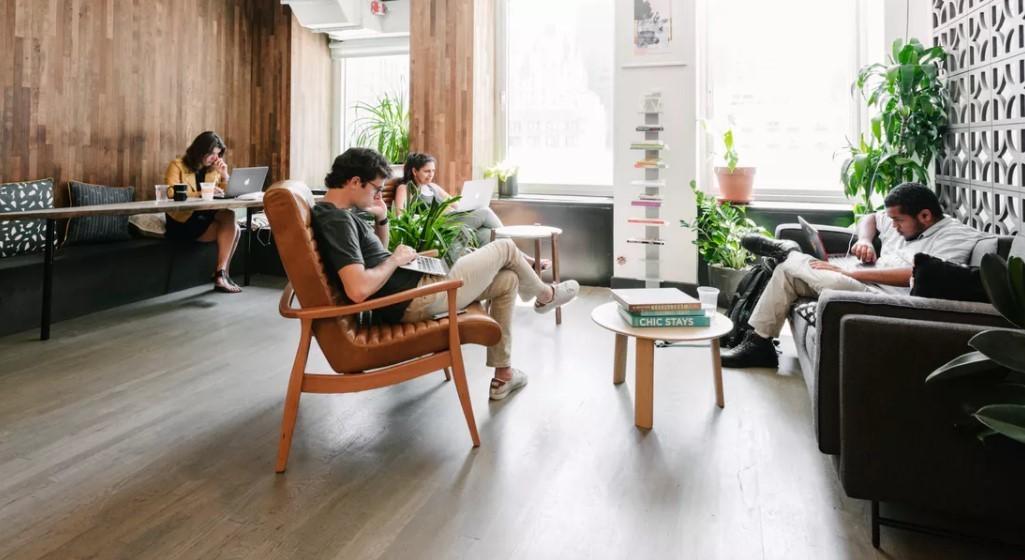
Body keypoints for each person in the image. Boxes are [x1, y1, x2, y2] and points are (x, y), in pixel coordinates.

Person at [312, 148, 580, 400]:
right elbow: (358, 289)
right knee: (505, 248)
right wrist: (395, 259)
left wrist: (382, 218)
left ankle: (504, 375)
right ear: (355, 182)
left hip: (415, 290)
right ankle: (546, 295)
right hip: (417, 298)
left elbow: (375, 257)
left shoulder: (338, 214)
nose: (378, 195)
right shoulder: (338, 221)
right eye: (377, 189)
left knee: (508, 280)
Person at [721, 182, 991, 368]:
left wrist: (852, 273)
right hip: (867, 282)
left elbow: (922, 275)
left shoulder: (954, 236)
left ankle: (789, 252)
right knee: (787, 273)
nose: (894, 227)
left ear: (925, 215)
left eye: (898, 221)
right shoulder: (903, 219)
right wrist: (864, 240)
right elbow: (871, 218)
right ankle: (759, 344)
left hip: (886, 298)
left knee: (790, 265)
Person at [393, 152, 550, 269]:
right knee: (485, 212)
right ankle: (527, 260)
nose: (431, 175)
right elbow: (400, 216)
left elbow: (456, 204)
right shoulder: (405, 188)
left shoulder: (433, 187)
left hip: (452, 220)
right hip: (437, 229)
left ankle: (521, 264)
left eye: (433, 171)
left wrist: (468, 204)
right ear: (414, 171)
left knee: (487, 234)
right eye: (427, 171)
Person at [164, 131, 242, 293]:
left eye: (218, 154)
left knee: (230, 218)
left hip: (202, 216)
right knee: (234, 227)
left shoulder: (213, 170)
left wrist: (225, 175)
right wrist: (200, 193)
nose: (215, 158)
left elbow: (227, 193)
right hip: (182, 221)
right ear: (200, 150)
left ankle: (220, 274)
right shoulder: (177, 165)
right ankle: (222, 275)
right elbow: (171, 193)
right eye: (212, 153)